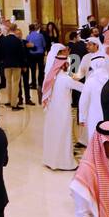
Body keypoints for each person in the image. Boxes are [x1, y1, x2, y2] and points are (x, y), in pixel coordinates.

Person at [41, 43, 83, 171]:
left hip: (52, 112)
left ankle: (51, 159)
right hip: (63, 111)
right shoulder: (65, 79)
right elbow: (82, 87)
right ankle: (64, 163)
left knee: (53, 134)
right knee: (64, 135)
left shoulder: (51, 77)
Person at [0, 24, 26, 109]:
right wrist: (23, 65)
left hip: (6, 64)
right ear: (15, 29)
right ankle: (14, 103)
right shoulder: (17, 40)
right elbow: (21, 54)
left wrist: (2, 61)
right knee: (15, 83)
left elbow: (1, 52)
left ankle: (9, 101)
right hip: (16, 64)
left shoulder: (4, 40)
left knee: (8, 83)